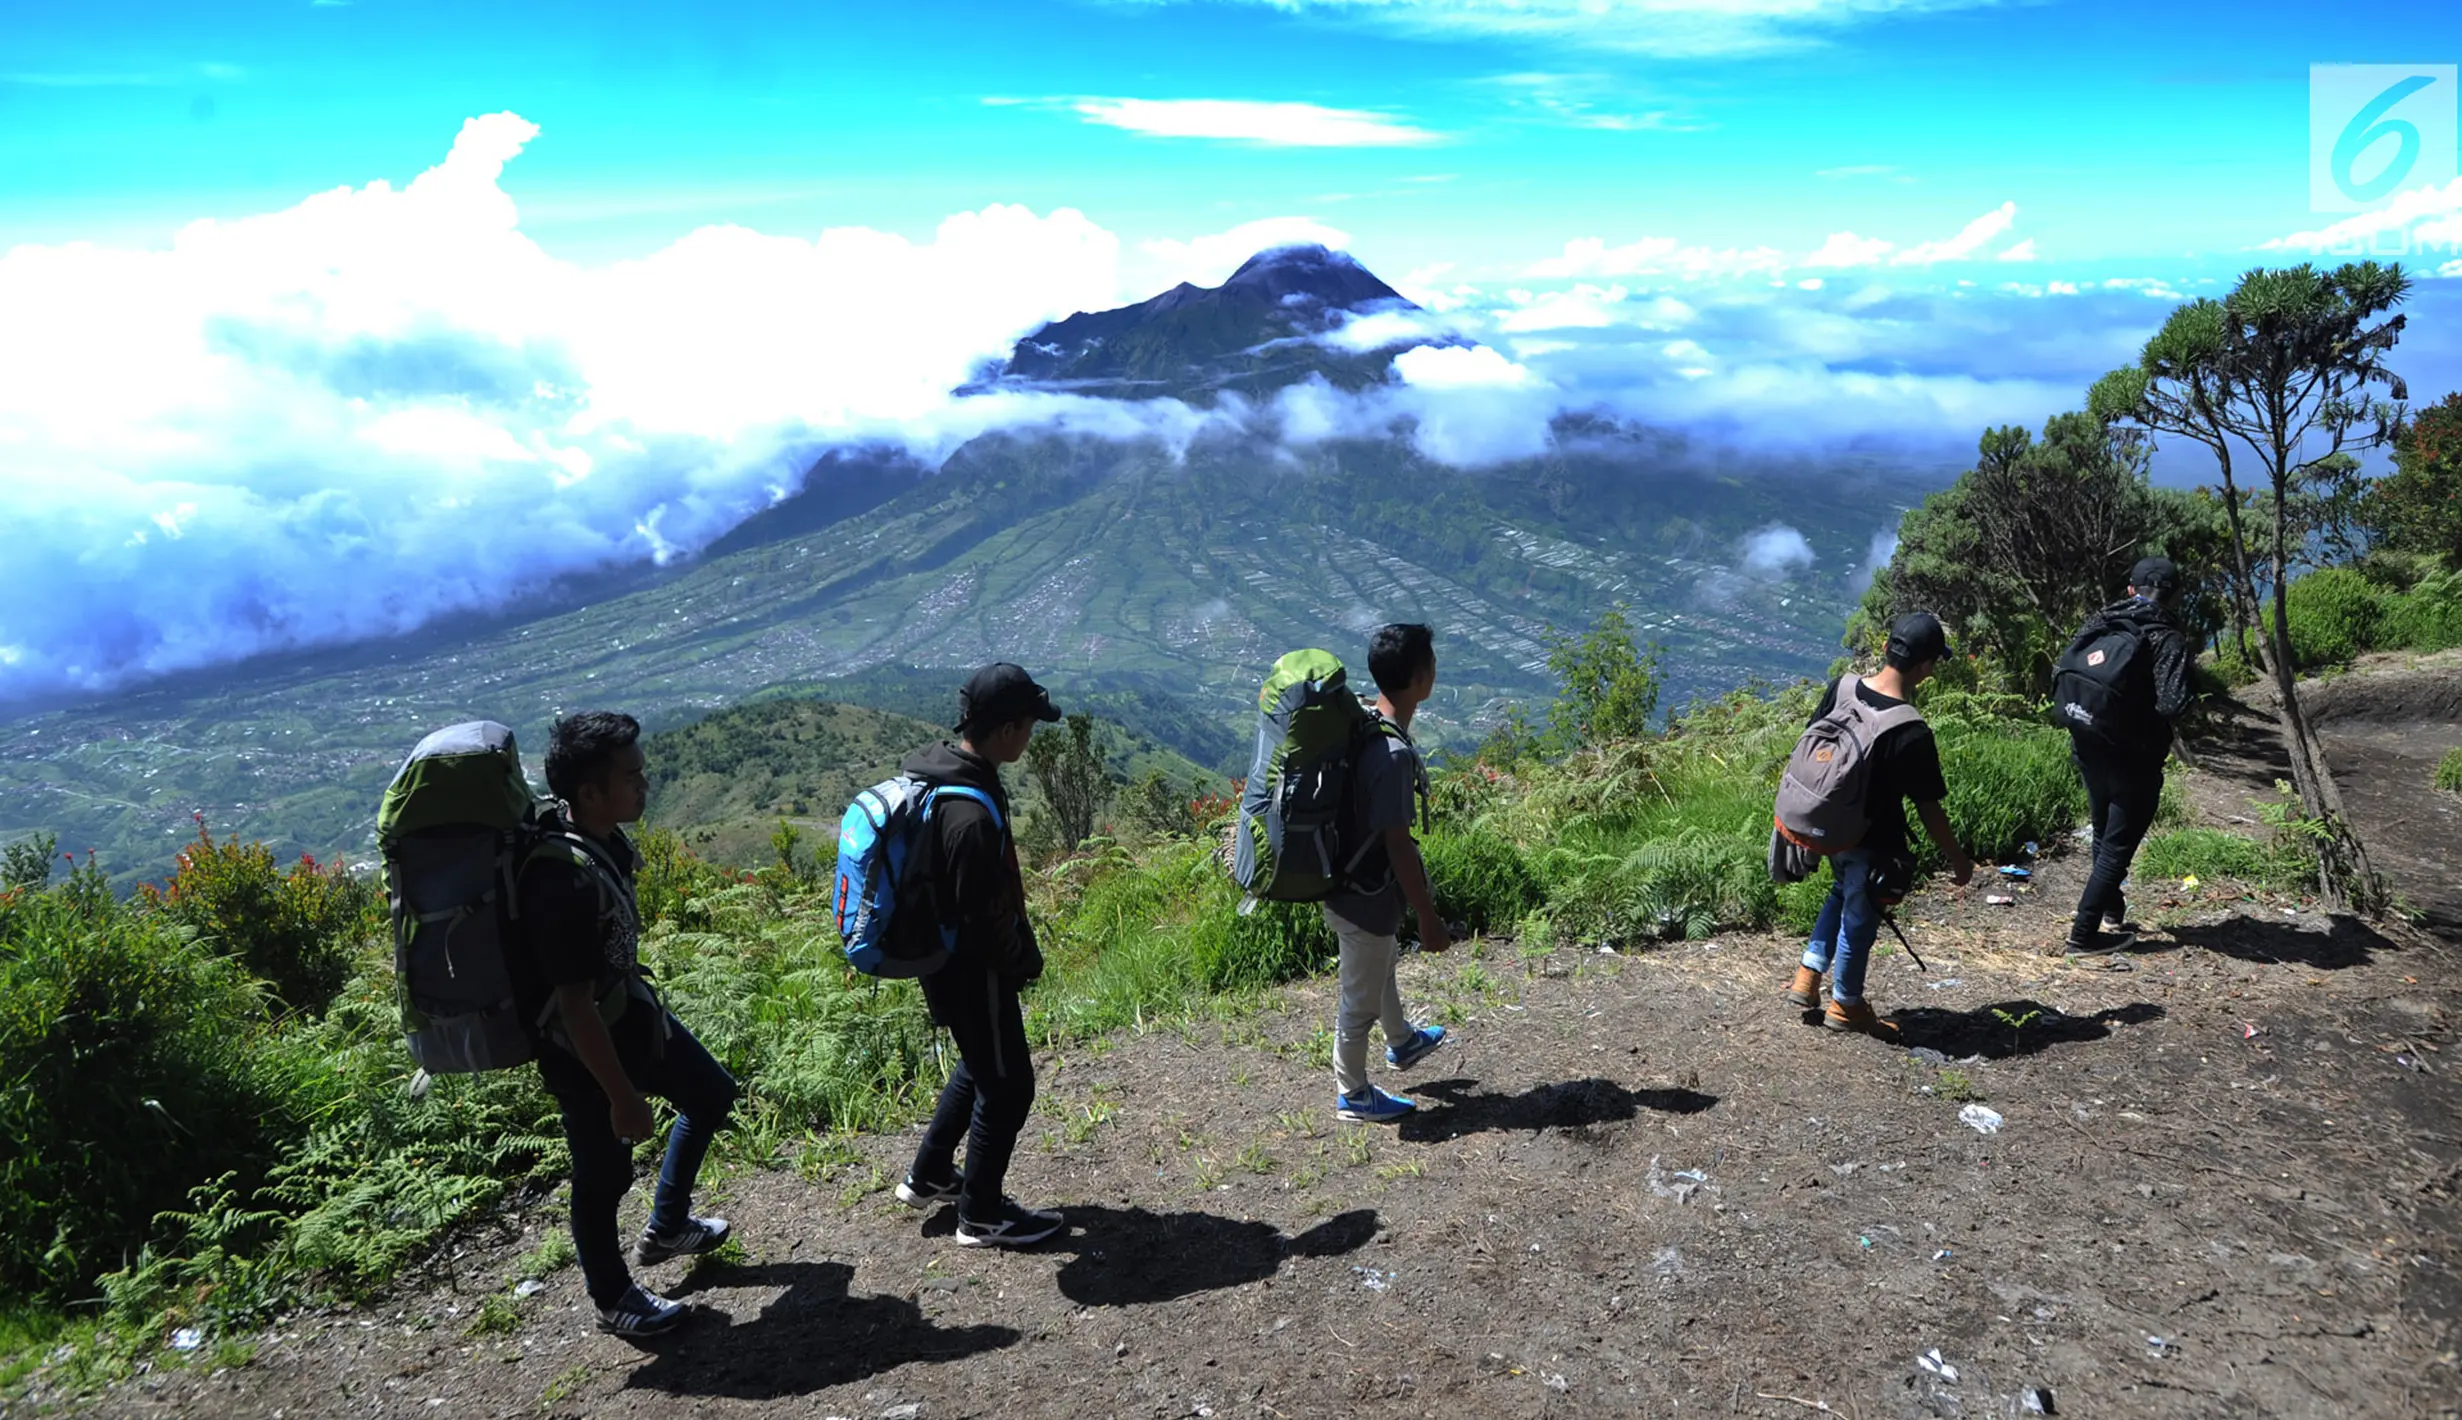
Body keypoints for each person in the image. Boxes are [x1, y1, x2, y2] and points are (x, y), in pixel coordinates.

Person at [515, 711, 738, 1338]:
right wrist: (622, 1097)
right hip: (584, 1052)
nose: (645, 786)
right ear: (589, 792)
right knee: (603, 1175)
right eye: (631, 776)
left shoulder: (598, 841)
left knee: (712, 1094)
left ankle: (667, 1227)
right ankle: (613, 1297)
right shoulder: (560, 881)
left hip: (632, 1019)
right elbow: (572, 1006)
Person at [894, 663, 1066, 1247]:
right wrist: (1020, 959)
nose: (1032, 736)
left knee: (978, 1062)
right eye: (1029, 726)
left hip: (945, 965)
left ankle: (930, 1173)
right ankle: (982, 1213)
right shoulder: (968, 814)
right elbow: (981, 916)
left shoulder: (949, 774)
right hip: (974, 971)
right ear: (1008, 729)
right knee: (1010, 1085)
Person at [1787, 612, 1977, 1033]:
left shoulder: (1843, 687)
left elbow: (1812, 744)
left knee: (1840, 891)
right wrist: (1958, 861)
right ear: (1926, 666)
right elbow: (1930, 809)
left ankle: (1808, 972)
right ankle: (1846, 1005)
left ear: (1888, 648)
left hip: (1829, 826)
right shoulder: (1910, 729)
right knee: (1860, 915)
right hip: (1873, 840)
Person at [1320, 622, 1449, 1124]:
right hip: (1363, 893)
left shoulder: (1368, 721)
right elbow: (1398, 846)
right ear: (1421, 678)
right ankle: (1351, 1093)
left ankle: (1402, 1042)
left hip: (1350, 884)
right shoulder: (1392, 755)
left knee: (1381, 962)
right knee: (1358, 1001)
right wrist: (1428, 917)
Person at [2062, 556, 2193, 955]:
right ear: (2174, 597)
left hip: (2087, 742)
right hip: (2133, 757)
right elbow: (2174, 704)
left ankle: (2110, 909)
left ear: (2131, 590)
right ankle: (2083, 935)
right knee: (2118, 845)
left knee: (2103, 831)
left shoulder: (2102, 620)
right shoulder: (2167, 638)